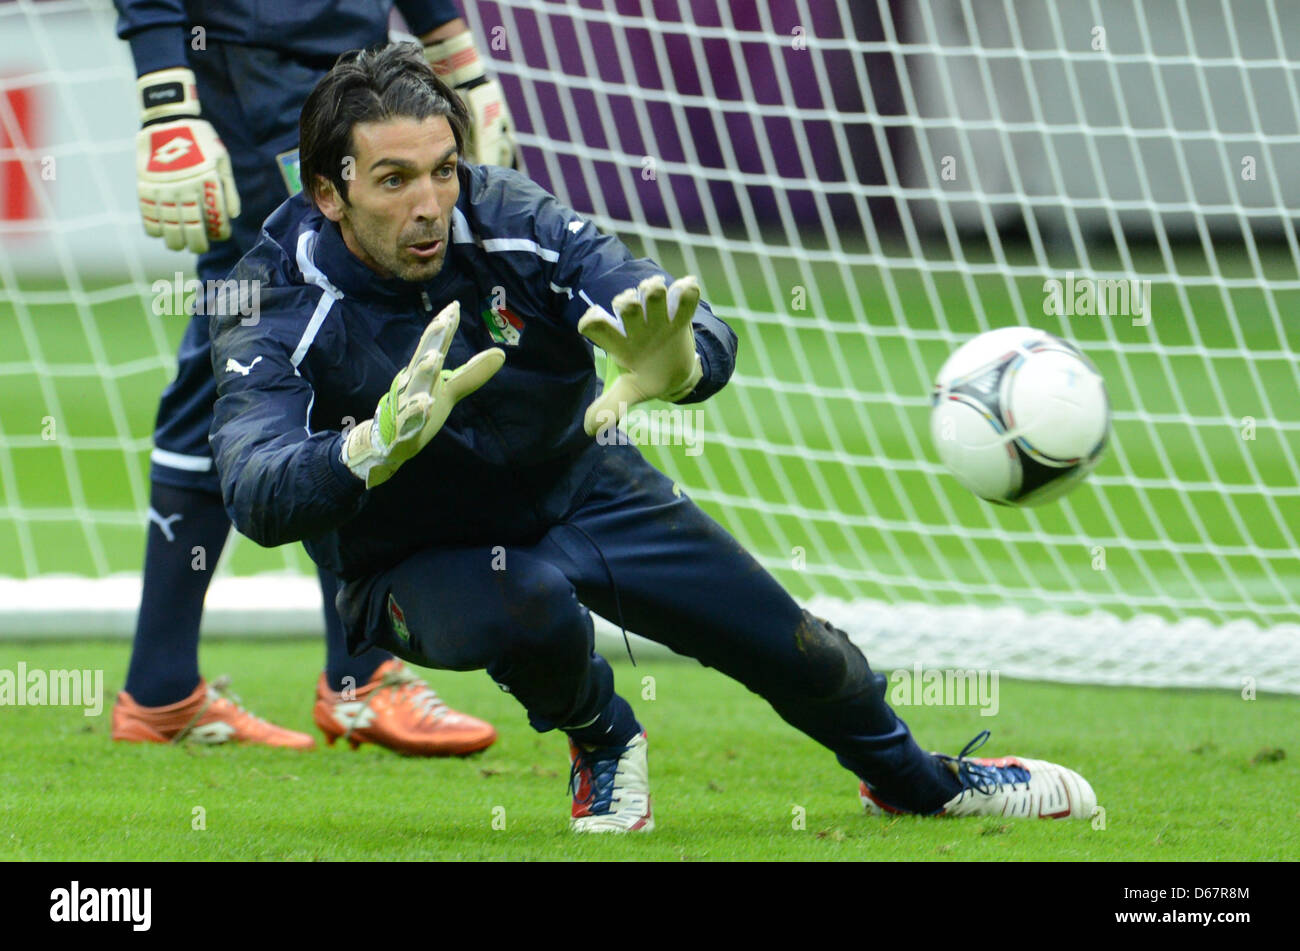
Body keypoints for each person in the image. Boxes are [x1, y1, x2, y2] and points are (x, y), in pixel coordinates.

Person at [209, 42, 1098, 830]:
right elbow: (254, 484)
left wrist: (682, 363)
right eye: (395, 180)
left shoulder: (509, 216)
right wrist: (367, 449)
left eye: (443, 169)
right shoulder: (275, 300)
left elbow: (670, 309)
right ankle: (602, 737)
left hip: (579, 483)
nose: (432, 204)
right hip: (409, 558)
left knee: (802, 649)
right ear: (329, 193)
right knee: (530, 602)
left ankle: (916, 782)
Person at [110, 0, 511, 753]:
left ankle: (168, 685)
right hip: (244, 63)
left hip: (354, 66)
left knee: (256, 331)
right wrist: (165, 94)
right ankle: (357, 675)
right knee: (295, 320)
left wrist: (457, 51)